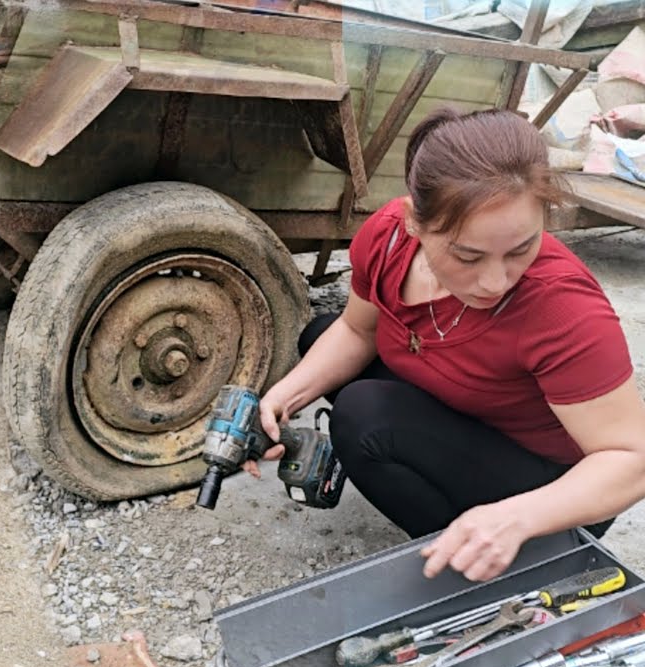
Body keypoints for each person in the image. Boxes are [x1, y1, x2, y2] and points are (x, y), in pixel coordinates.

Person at [245, 108, 645, 583]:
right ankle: (466, 528)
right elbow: (357, 331)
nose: (496, 281)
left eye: (521, 248)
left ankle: (499, 561)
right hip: (472, 419)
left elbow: (632, 459)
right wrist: (279, 402)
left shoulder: (561, 309)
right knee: (320, 335)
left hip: (552, 487)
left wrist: (516, 518)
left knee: (364, 415)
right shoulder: (388, 238)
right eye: (467, 255)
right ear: (415, 222)